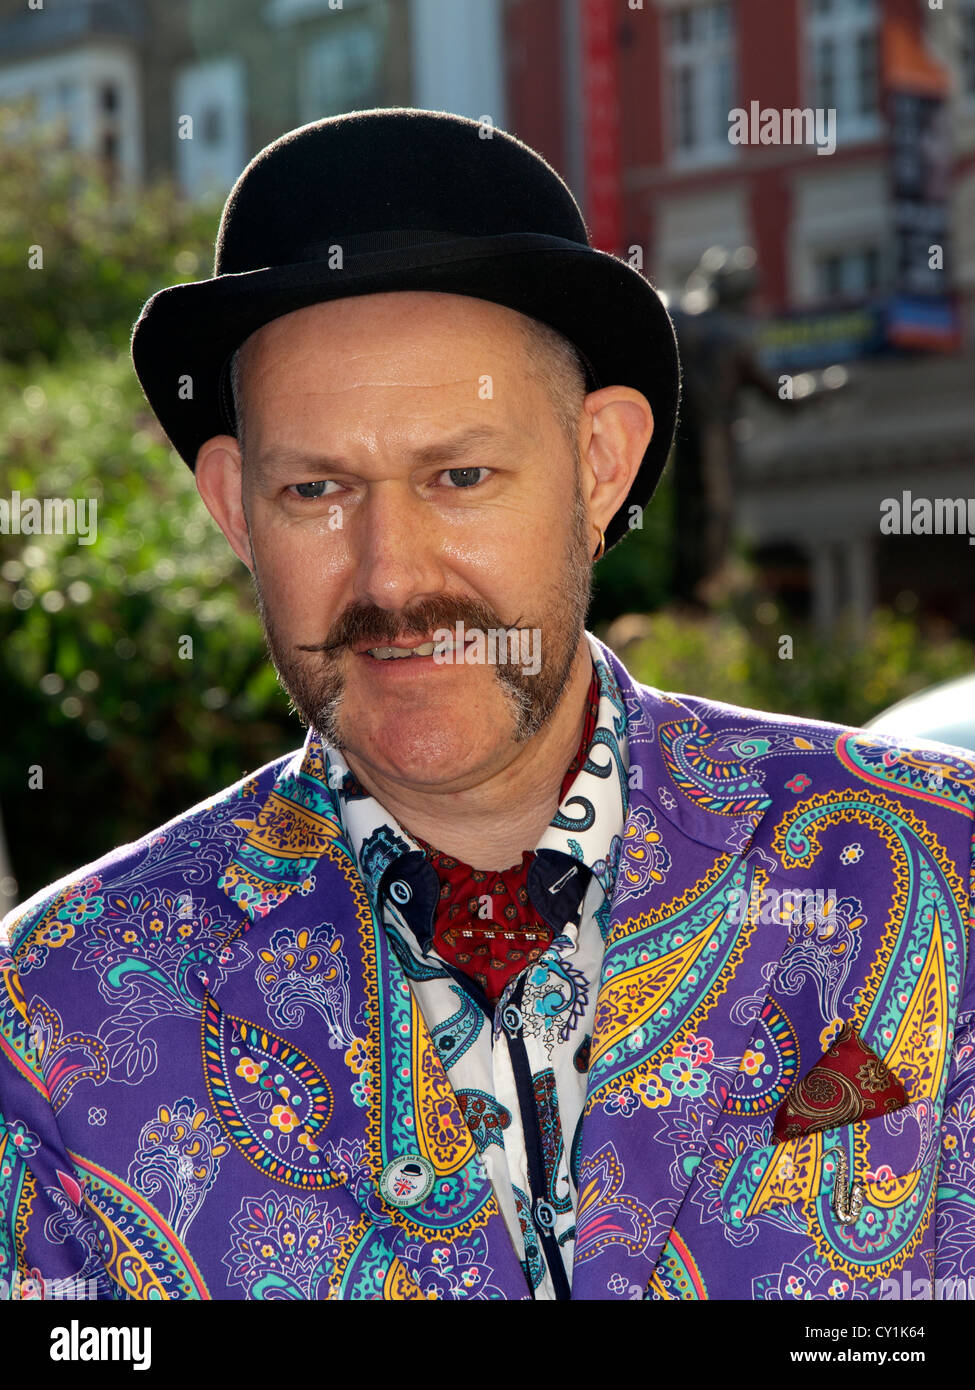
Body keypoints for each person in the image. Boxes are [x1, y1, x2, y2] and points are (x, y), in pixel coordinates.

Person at [1, 108, 973, 1302]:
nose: (393, 575)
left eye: (460, 476)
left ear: (601, 463)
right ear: (235, 508)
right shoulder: (55, 1016)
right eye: (316, 489)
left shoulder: (939, 872)